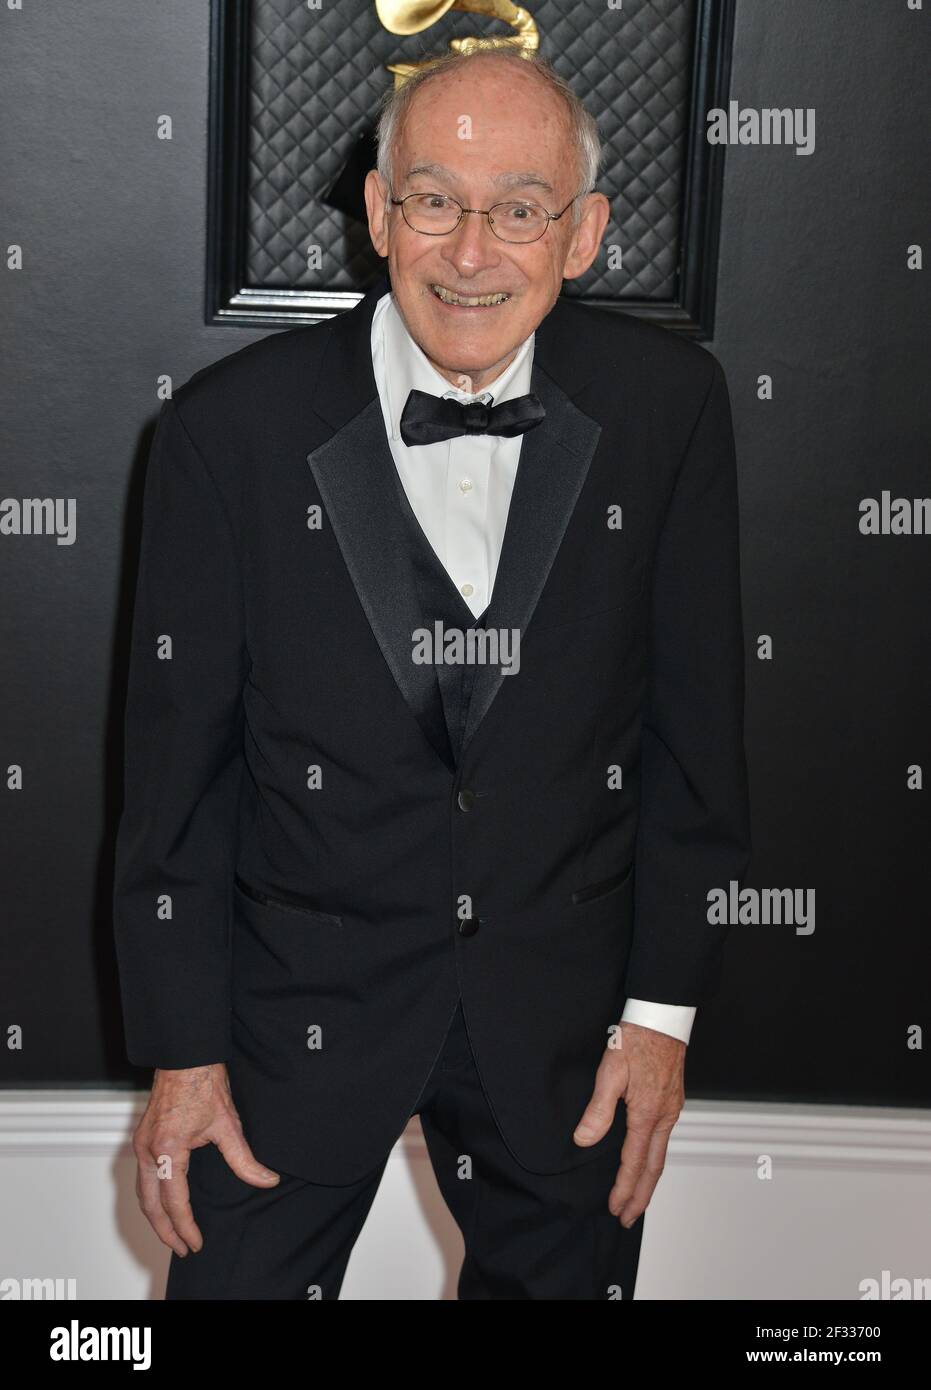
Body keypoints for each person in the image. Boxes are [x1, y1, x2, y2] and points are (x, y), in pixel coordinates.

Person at [113, 46, 751, 1300]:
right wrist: (183, 1054)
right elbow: (174, 787)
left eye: (519, 209)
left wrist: (661, 1020)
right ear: (375, 211)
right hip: (288, 1029)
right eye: (432, 200)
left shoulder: (670, 408)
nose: (470, 250)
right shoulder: (223, 435)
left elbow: (698, 741)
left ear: (583, 236)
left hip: (570, 1042)